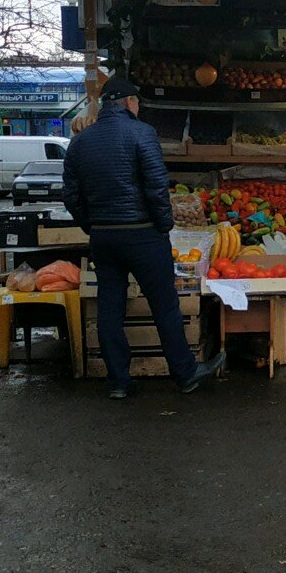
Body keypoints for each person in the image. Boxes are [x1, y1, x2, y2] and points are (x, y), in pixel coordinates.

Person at [63, 76, 224, 398]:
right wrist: (164, 225)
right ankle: (186, 374)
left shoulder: (80, 142)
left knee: (110, 307)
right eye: (138, 102)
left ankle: (119, 382)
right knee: (164, 305)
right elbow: (155, 186)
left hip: (104, 237)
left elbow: (71, 194)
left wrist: (91, 226)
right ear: (129, 102)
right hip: (143, 234)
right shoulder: (142, 133)